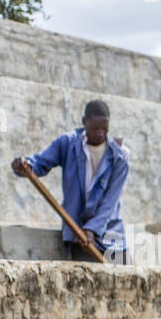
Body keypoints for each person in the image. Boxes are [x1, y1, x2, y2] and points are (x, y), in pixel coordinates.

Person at [11, 100, 130, 263]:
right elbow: (40, 162)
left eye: (104, 128)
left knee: (124, 283)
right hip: (79, 234)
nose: (100, 133)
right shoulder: (67, 143)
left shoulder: (120, 156)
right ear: (84, 122)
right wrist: (25, 165)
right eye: (95, 128)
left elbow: (110, 201)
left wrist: (93, 229)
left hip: (111, 234)